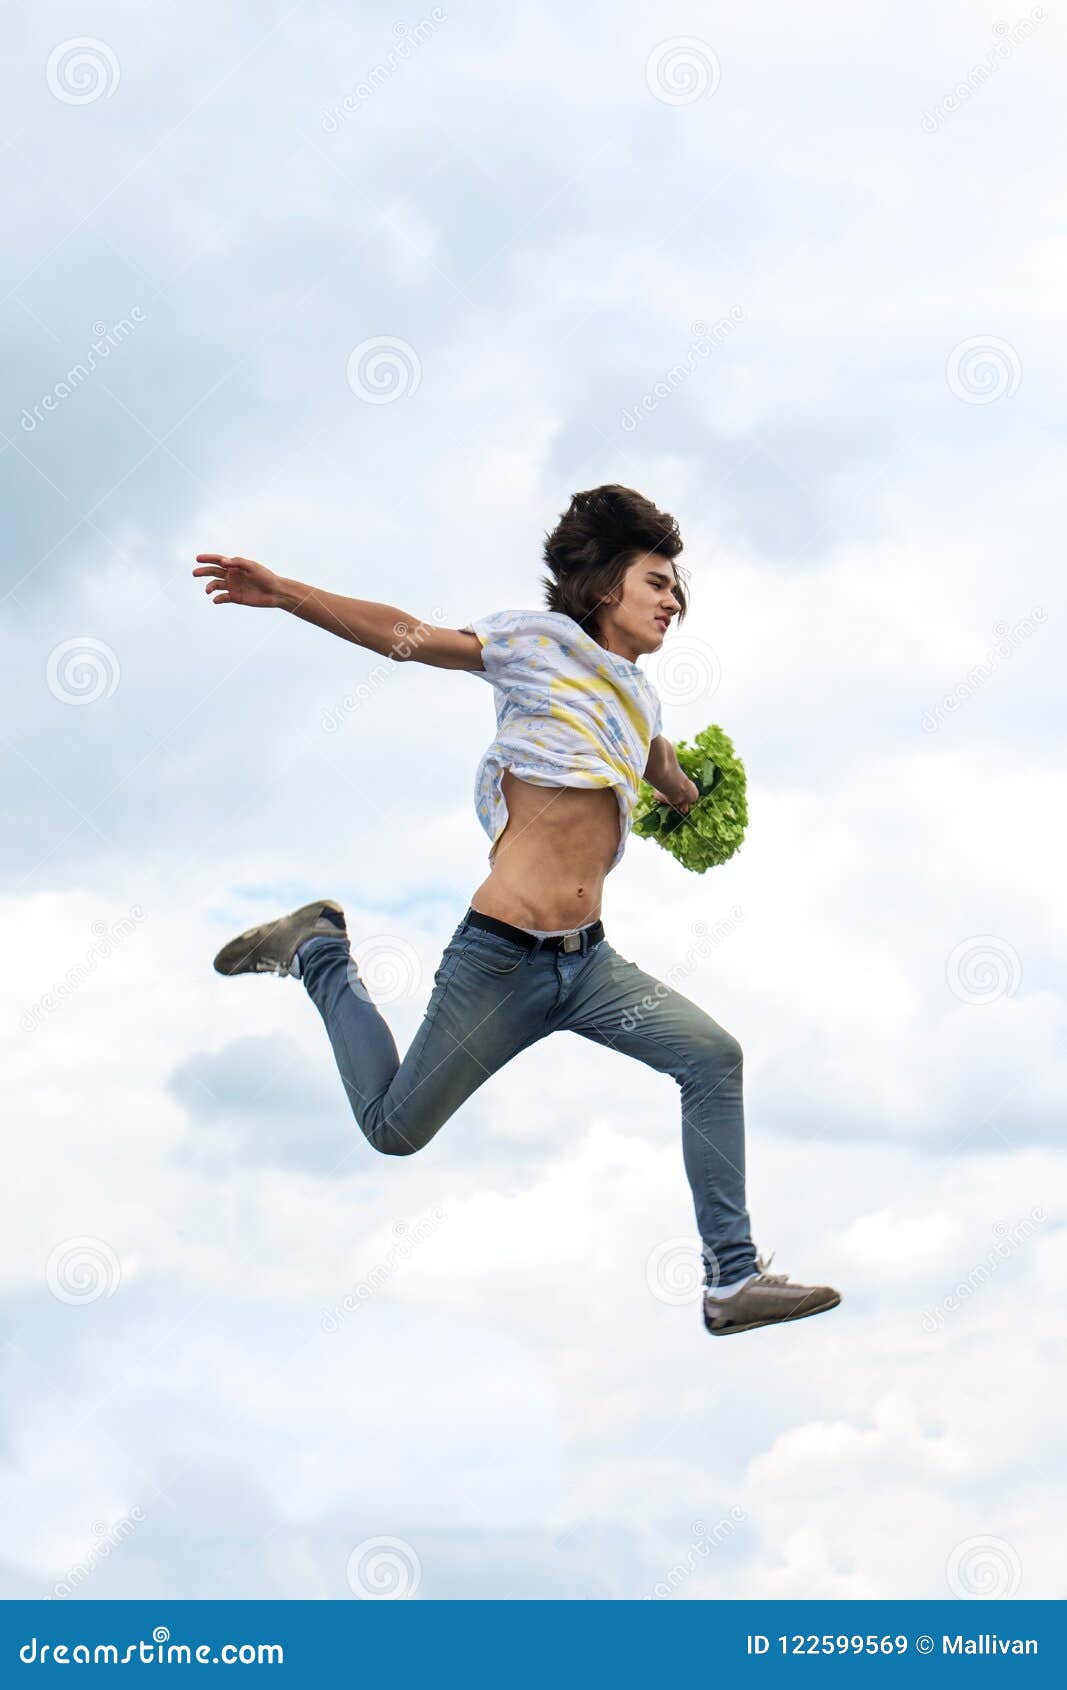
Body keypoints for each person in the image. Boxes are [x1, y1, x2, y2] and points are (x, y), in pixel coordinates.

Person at [194, 485, 841, 1337]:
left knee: (713, 1058)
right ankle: (317, 950)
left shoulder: (639, 700)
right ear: (607, 584)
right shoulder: (537, 646)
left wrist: (695, 792)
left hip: (591, 966)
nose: (673, 600)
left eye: (678, 590)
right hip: (499, 961)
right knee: (393, 1130)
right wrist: (286, 593)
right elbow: (407, 636)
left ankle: (730, 1280)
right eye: (657, 581)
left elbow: (666, 778)